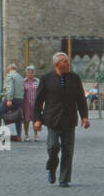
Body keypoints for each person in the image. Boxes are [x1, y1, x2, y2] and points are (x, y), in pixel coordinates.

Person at [32, 52, 90, 187]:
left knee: (68, 150)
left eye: (68, 61)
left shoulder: (74, 78)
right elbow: (38, 101)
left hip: (69, 118)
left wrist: (85, 117)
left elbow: (80, 99)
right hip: (52, 118)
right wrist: (37, 119)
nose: (68, 64)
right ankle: (52, 167)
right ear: (57, 64)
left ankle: (64, 178)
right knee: (53, 146)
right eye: (65, 61)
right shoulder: (46, 78)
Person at [22, 65, 39, 141]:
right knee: (27, 119)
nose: (29, 74)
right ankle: (26, 135)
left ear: (33, 73)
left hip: (35, 103)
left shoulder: (37, 81)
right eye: (28, 72)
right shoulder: (23, 81)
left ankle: (36, 135)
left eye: (31, 72)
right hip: (26, 103)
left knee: (35, 119)